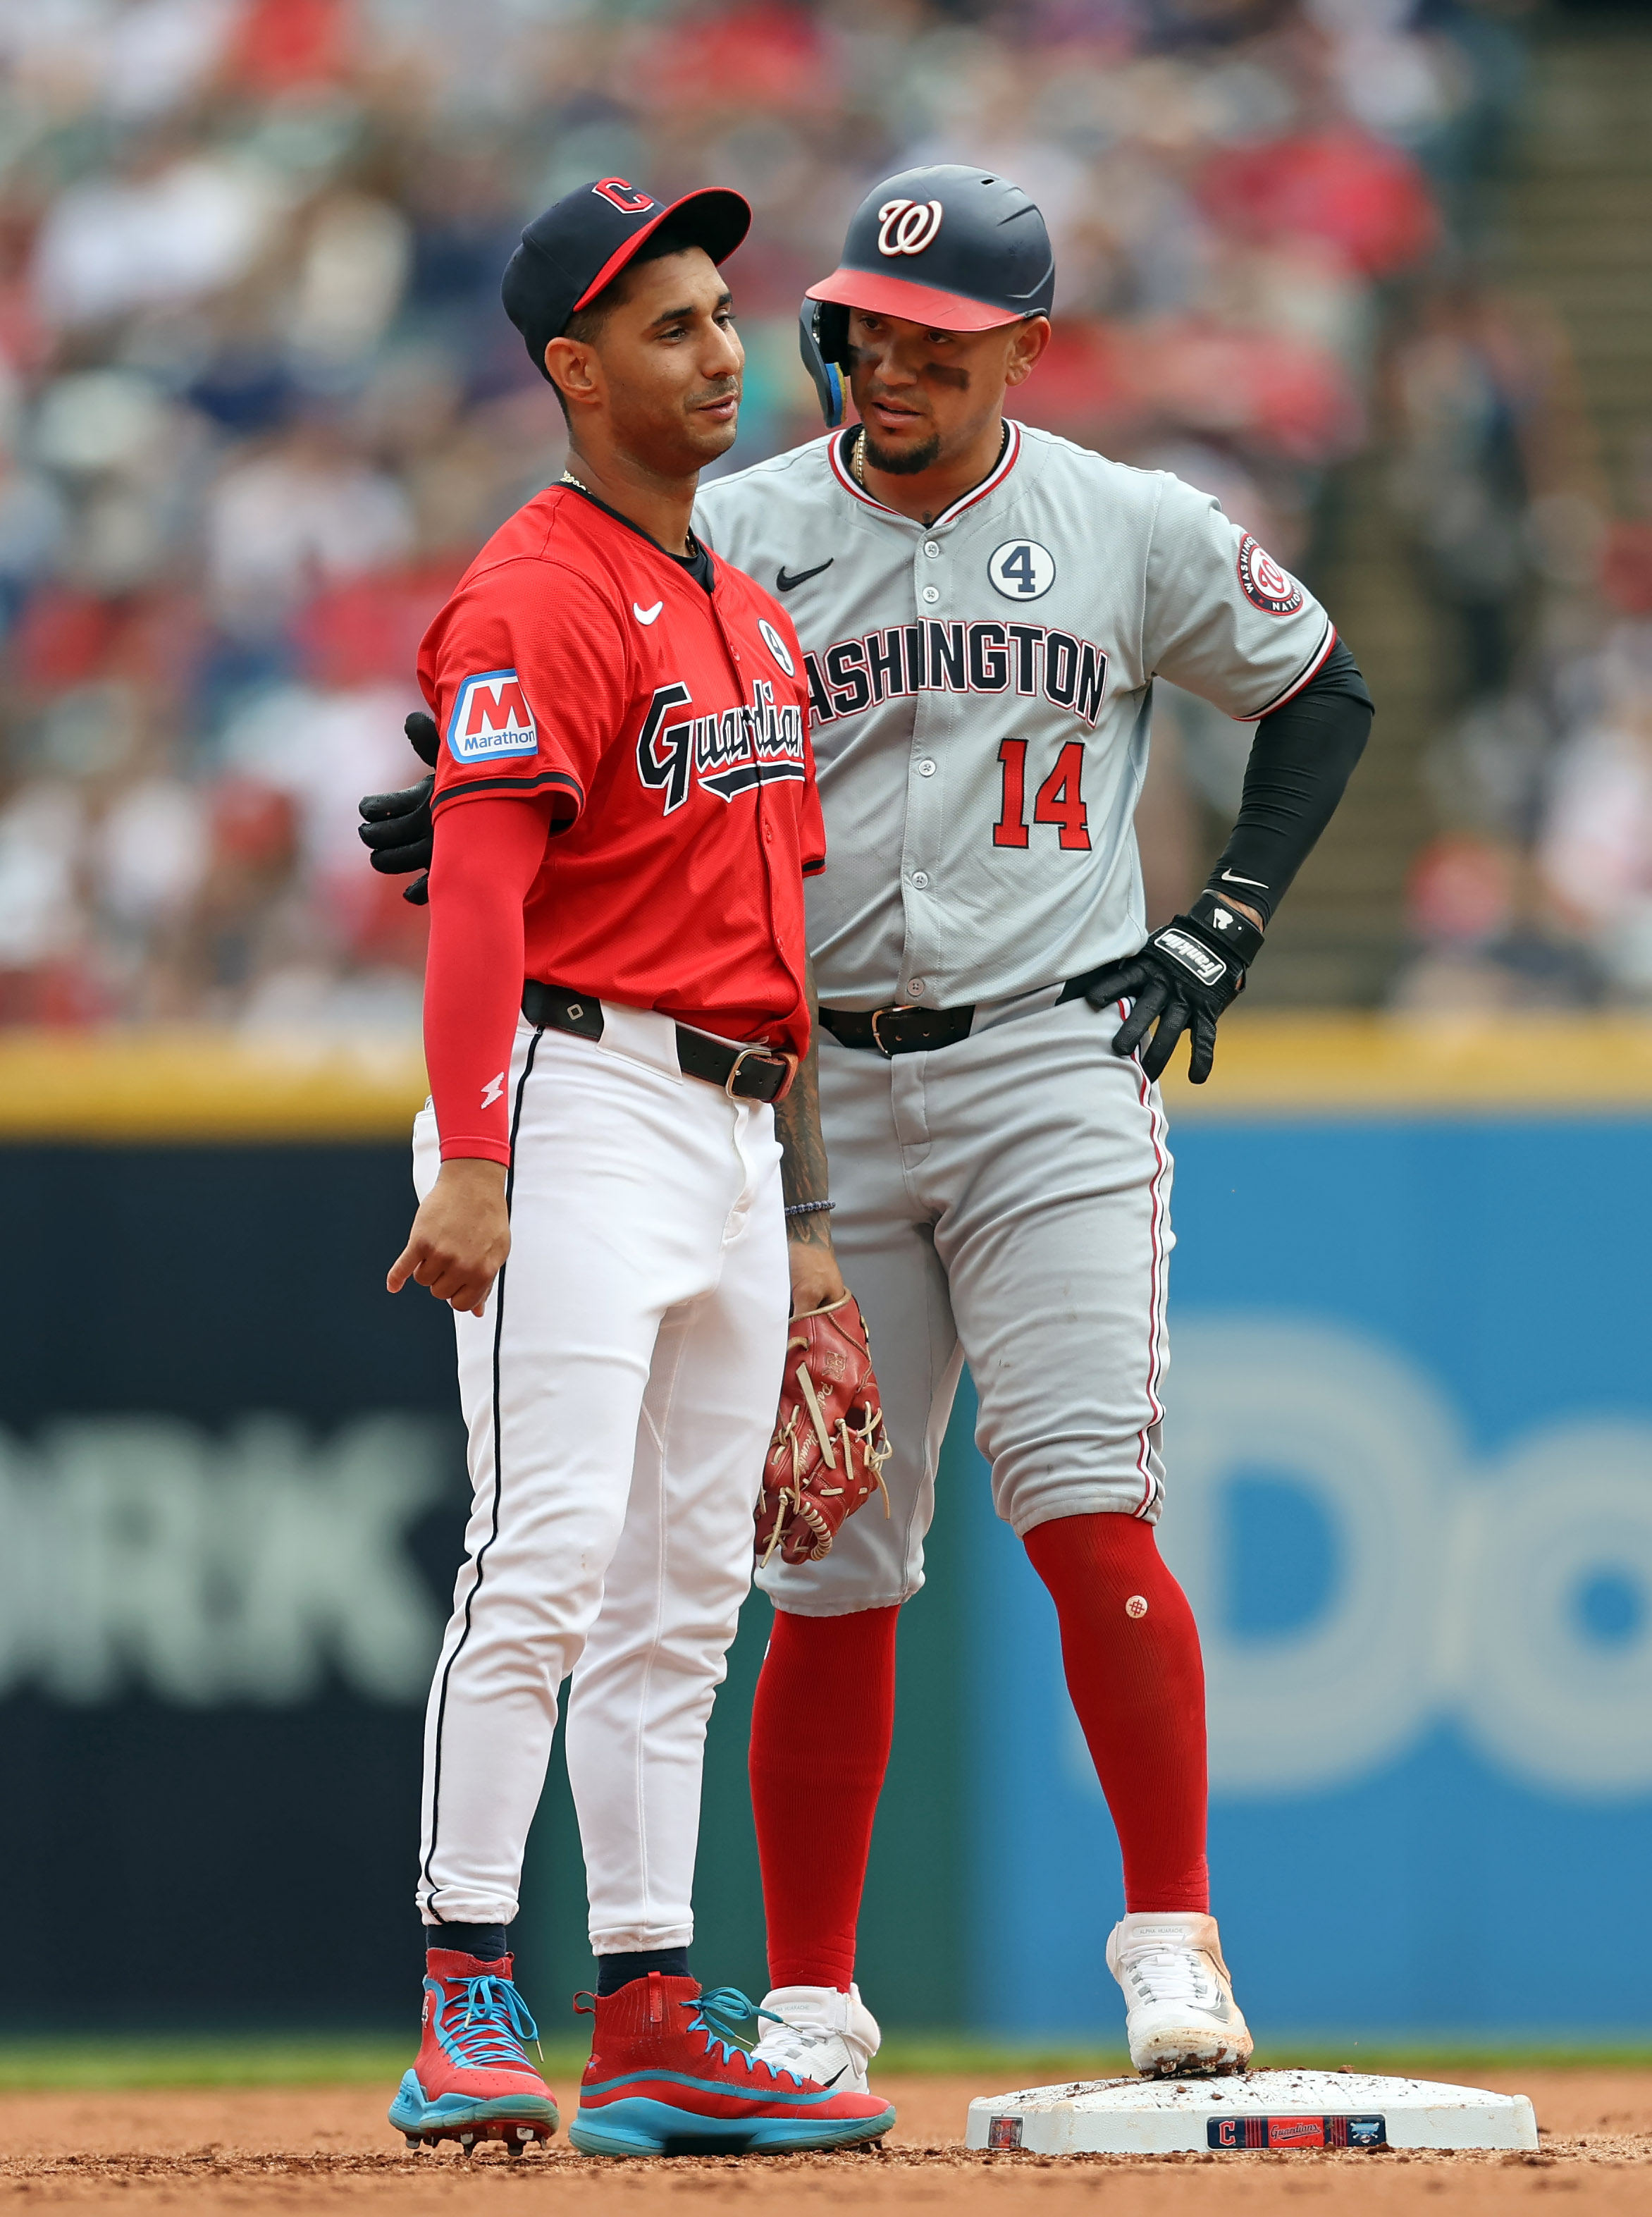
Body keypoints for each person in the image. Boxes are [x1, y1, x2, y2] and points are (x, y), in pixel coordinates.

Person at [367, 164, 1373, 2089]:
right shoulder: (732, 530)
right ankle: (809, 1990)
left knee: (1087, 1502)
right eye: (859, 321)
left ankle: (1170, 1935)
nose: (879, 357)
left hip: (1037, 1055)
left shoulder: (1125, 522)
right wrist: (479, 809)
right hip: (792, 1085)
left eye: (932, 335)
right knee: (817, 1550)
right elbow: (568, 721)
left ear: (1022, 349)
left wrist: (1227, 916)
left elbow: (1322, 690)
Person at [369, 173, 893, 2159]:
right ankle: (462, 1984)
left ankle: (656, 2010)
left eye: (720, 314)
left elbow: (789, 963)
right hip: (569, 1097)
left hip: (734, 1125)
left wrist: (814, 1231)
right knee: (548, 1554)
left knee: (688, 1591)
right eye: (668, 325)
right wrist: (481, 1155)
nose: (719, 347)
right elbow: (477, 909)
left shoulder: (745, 609)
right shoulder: (534, 591)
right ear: (573, 371)